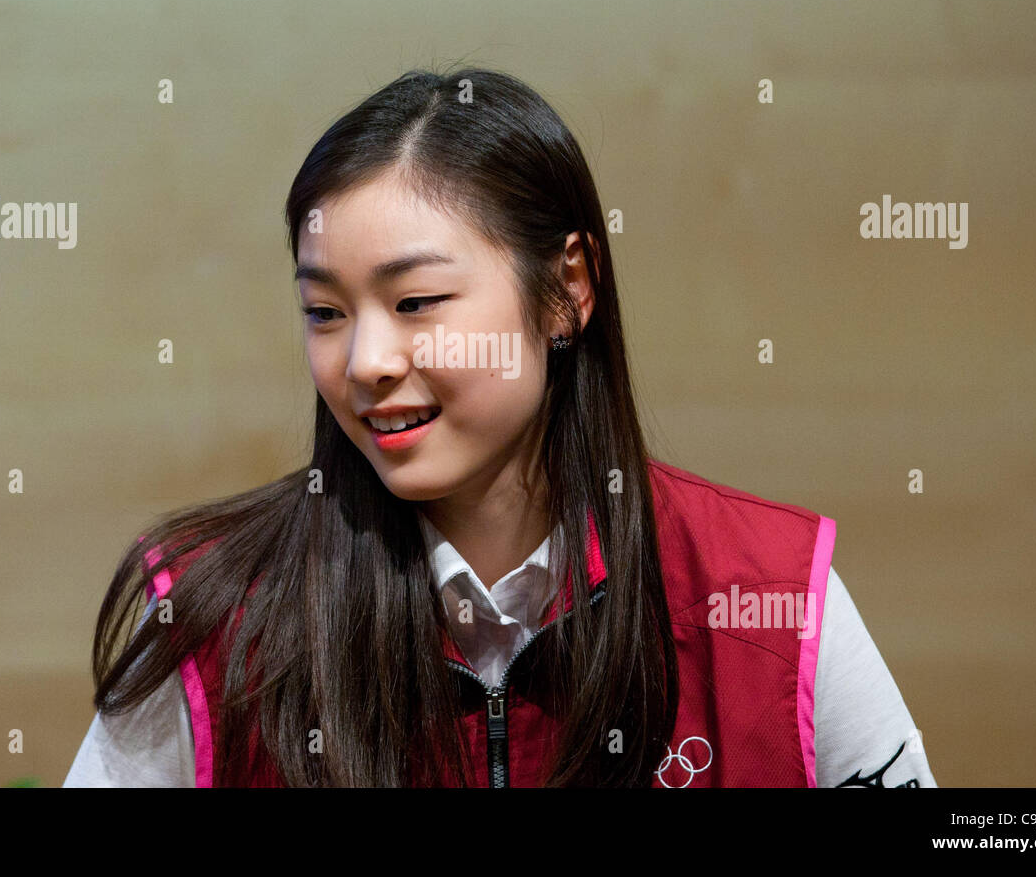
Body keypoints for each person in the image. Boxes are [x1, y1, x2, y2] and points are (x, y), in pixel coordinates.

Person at [64, 66, 937, 788]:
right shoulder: (217, 618)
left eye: (416, 302)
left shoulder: (769, 595)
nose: (365, 360)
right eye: (325, 312)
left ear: (567, 289)